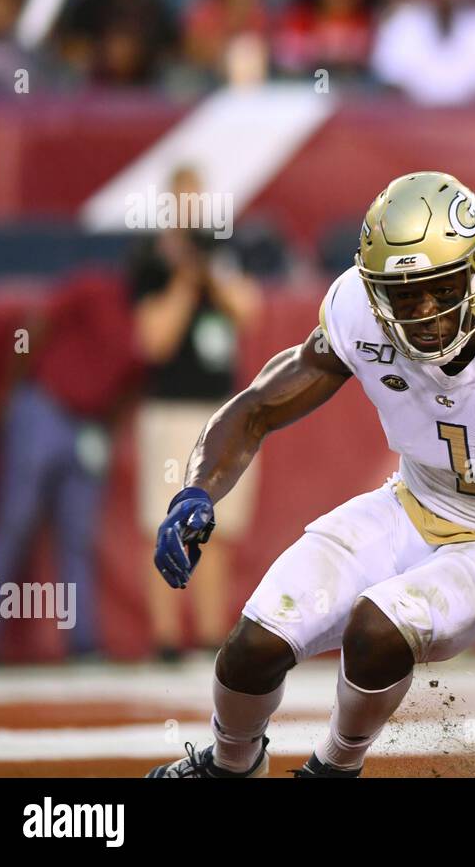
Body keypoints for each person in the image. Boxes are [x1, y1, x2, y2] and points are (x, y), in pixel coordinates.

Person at [146, 172, 475, 777]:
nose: (423, 311)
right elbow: (257, 406)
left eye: (439, 288)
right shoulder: (360, 315)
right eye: (404, 294)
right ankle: (229, 766)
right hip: (409, 504)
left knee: (378, 628)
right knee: (256, 640)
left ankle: (335, 766)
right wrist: (196, 490)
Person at [0, 270, 144, 662]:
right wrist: (14, 390)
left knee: (77, 538)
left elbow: (130, 385)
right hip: (43, 408)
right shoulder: (95, 288)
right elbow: (38, 324)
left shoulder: (151, 325)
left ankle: (82, 642)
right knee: (14, 522)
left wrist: (106, 431)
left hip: (89, 428)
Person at [130, 165, 261, 663]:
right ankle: (166, 639)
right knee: (162, 523)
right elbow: (154, 340)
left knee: (217, 527)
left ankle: (209, 636)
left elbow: (248, 311)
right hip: (170, 408)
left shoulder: (222, 250)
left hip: (220, 410)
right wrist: (184, 277)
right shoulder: (151, 260)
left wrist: (209, 269)